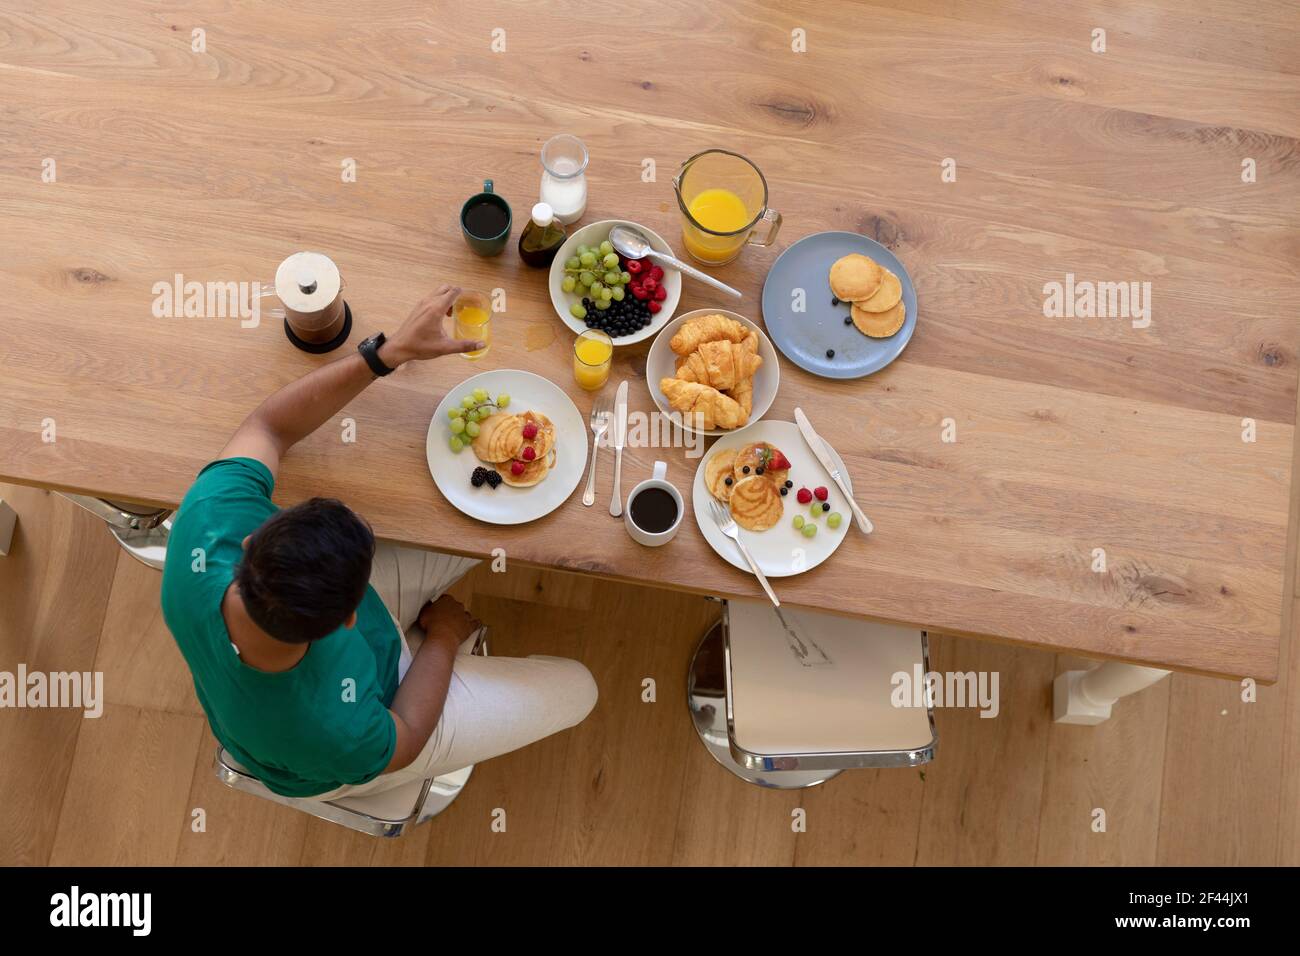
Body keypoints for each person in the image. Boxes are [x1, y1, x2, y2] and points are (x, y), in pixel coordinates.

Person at [161, 284, 597, 801]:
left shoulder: (207, 526)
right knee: (580, 689)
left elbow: (269, 427)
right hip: (348, 745)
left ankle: (412, 638)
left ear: (255, 538)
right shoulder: (334, 732)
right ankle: (420, 661)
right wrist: (441, 640)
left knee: (480, 518)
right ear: (350, 618)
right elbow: (407, 735)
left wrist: (385, 354)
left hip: (319, 660)